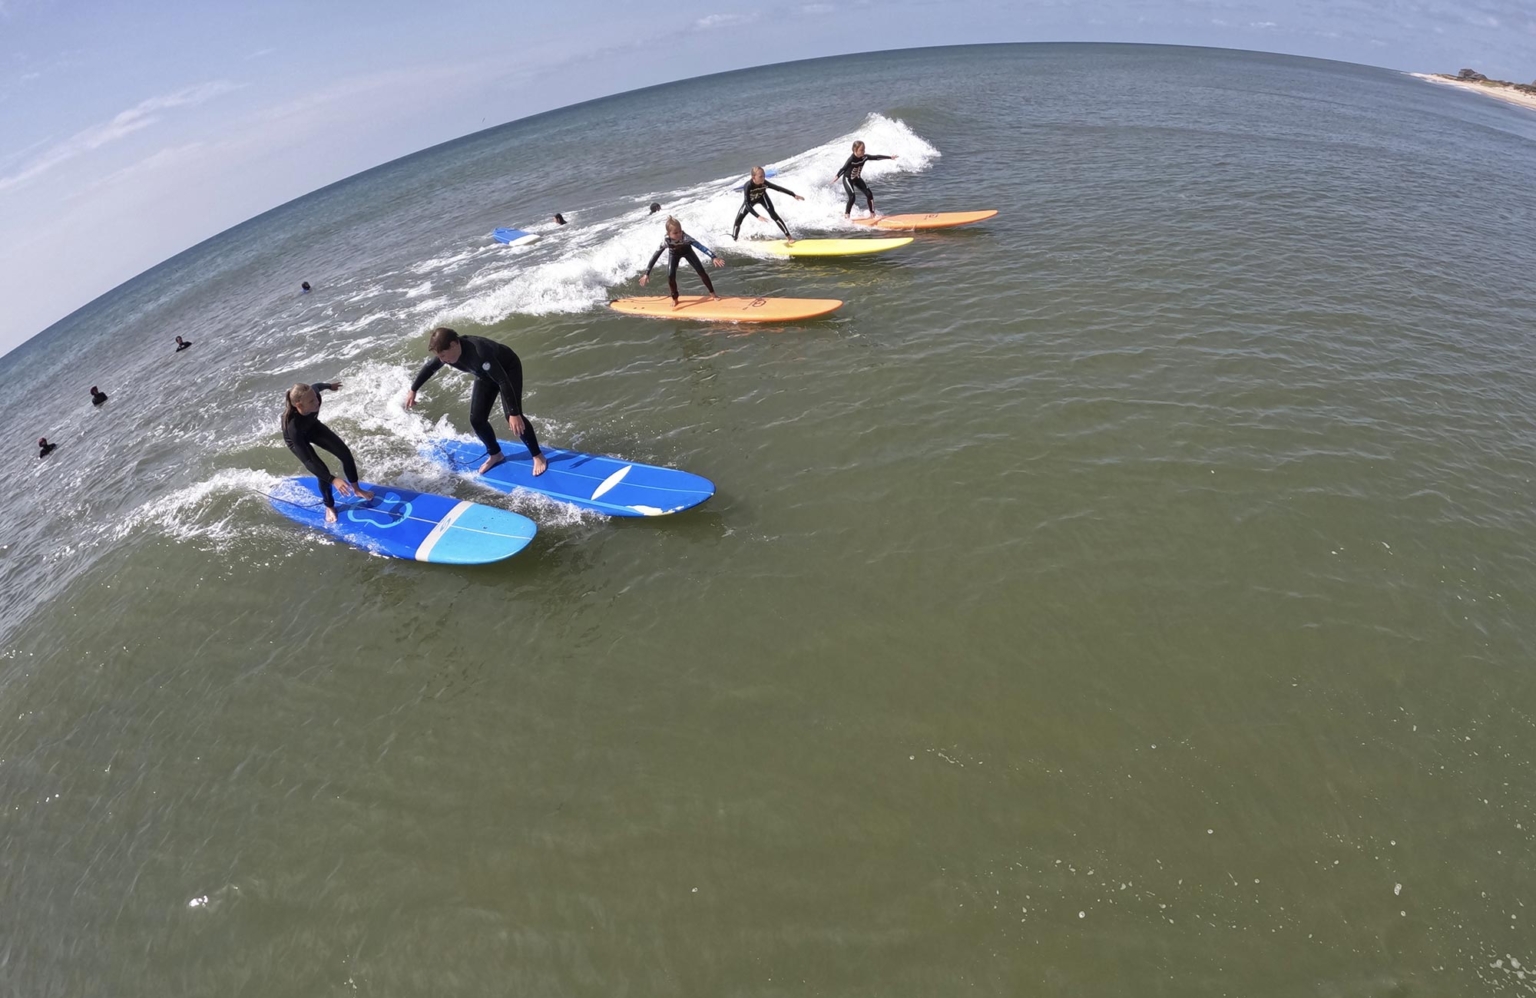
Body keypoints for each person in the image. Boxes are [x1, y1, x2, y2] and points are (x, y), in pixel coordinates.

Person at [406, 327, 547, 476]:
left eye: (443, 355)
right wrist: (413, 390)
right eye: (439, 356)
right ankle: (496, 454)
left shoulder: (479, 352)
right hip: (485, 375)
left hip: (508, 370)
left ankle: (538, 456)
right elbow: (430, 368)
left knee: (512, 417)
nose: (442, 360)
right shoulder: (447, 354)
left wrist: (514, 413)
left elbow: (502, 381)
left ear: (454, 345)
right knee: (477, 420)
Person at [282, 381, 373, 524]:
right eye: (311, 401)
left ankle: (357, 489)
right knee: (322, 472)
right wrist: (333, 479)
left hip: (312, 426)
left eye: (315, 397)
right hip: (297, 440)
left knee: (345, 453)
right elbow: (308, 461)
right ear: (299, 405)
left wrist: (330, 386)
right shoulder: (292, 427)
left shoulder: (313, 394)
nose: (317, 402)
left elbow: (317, 386)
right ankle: (329, 506)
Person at [641, 216, 724, 305]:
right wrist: (647, 273)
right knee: (670, 276)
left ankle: (712, 293)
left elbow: (700, 246)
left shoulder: (686, 238)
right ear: (668, 233)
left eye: (680, 231)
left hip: (688, 252)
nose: (679, 234)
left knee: (701, 272)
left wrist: (713, 257)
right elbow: (655, 256)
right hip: (674, 254)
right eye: (675, 233)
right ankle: (675, 298)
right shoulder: (666, 241)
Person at [732, 166, 804, 242]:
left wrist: (793, 195)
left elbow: (778, 188)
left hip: (762, 198)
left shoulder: (764, 183)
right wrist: (758, 216)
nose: (763, 178)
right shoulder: (748, 186)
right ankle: (734, 239)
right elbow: (747, 203)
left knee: (774, 215)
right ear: (753, 177)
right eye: (760, 176)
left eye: (764, 176)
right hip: (750, 202)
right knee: (738, 220)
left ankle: (789, 238)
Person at [833, 140, 898, 218]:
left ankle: (872, 214)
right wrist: (837, 176)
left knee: (869, 194)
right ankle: (847, 216)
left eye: (864, 149)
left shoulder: (864, 157)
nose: (864, 151)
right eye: (861, 150)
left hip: (857, 178)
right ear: (855, 150)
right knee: (852, 197)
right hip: (848, 179)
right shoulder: (851, 159)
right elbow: (843, 169)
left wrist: (890, 157)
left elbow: (876, 157)